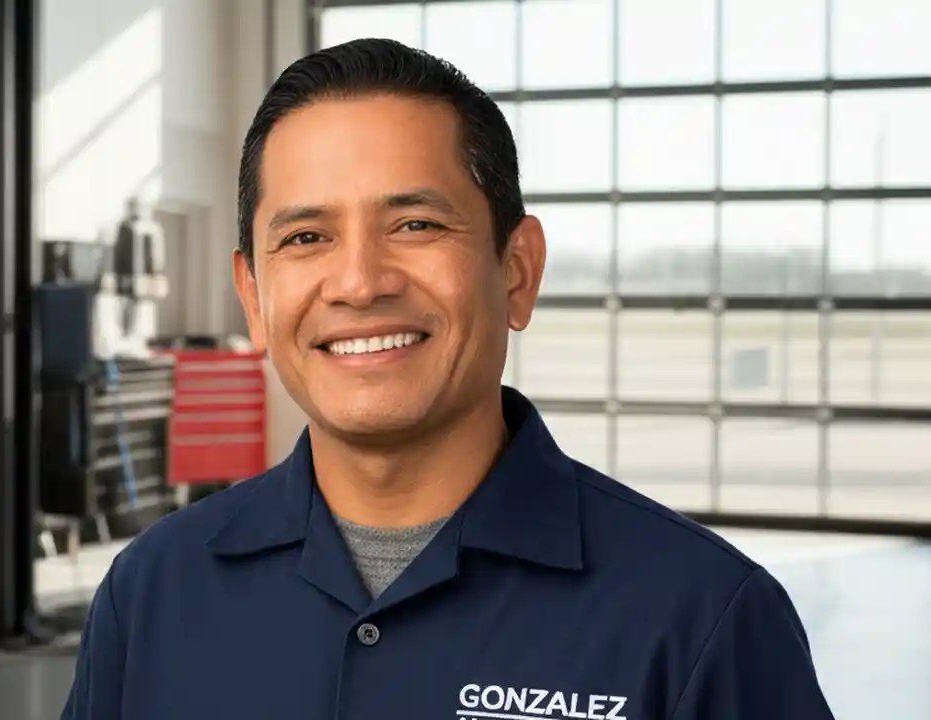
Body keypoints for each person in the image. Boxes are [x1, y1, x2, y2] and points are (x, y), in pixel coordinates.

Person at [61, 38, 836, 719]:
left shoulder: (699, 615)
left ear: (518, 270)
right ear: (255, 298)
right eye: (306, 236)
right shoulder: (155, 593)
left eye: (416, 225)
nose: (359, 283)